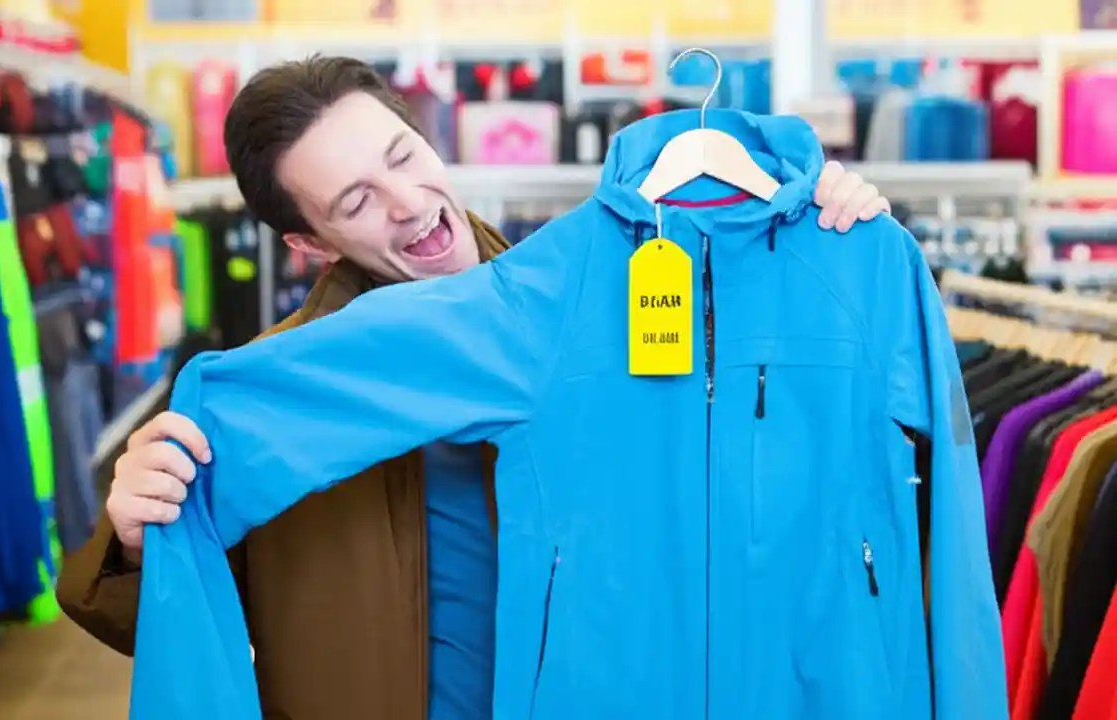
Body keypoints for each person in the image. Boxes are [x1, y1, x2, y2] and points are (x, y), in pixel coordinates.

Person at [56, 55, 893, 720]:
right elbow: (164, 617)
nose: (409, 203)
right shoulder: (274, 394)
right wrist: (136, 538)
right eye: (357, 199)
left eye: (402, 156)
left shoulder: (610, 303)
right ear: (305, 242)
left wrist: (813, 232)